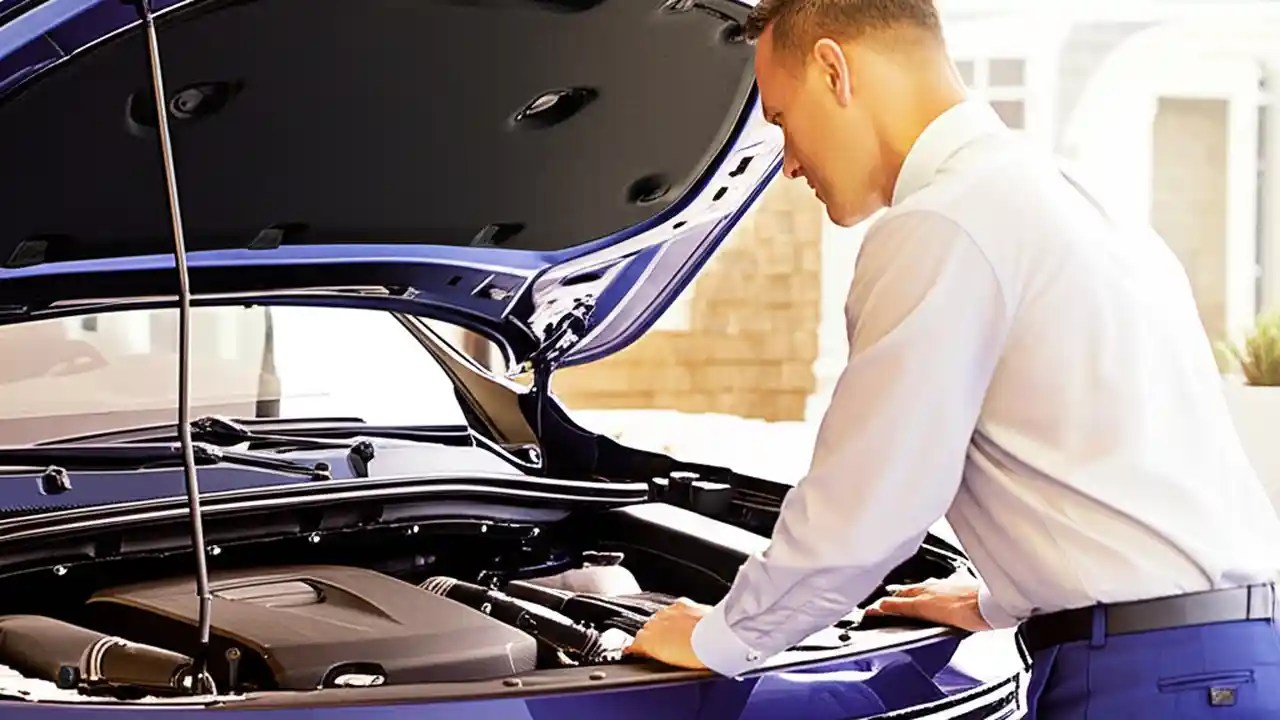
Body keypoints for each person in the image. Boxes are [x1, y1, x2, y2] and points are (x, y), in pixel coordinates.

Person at [622, 0, 1280, 716]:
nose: (787, 165)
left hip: (1148, 683)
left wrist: (718, 638)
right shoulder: (1065, 197)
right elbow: (1114, 458)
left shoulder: (945, 222)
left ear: (833, 69)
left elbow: (867, 507)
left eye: (781, 120)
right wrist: (1004, 597)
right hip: (1218, 667)